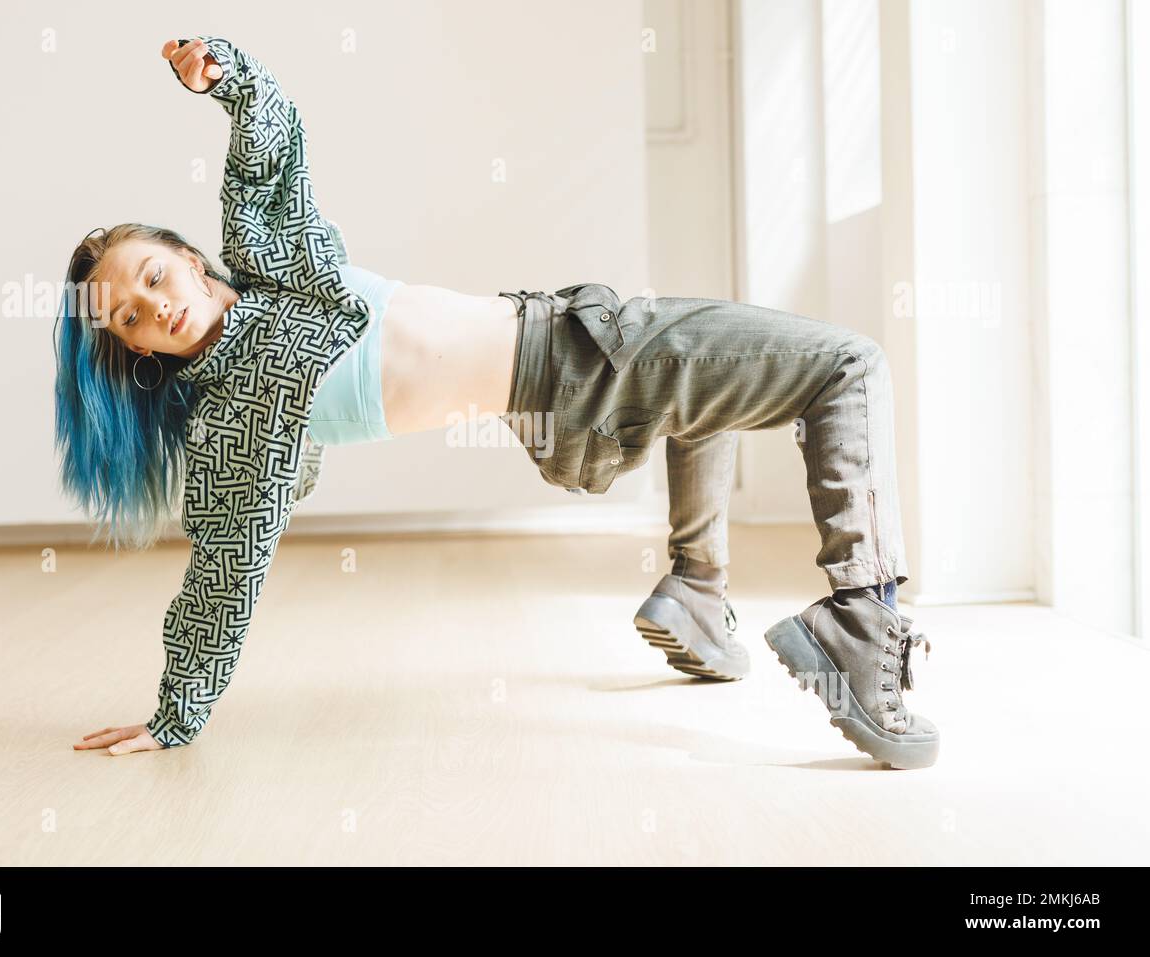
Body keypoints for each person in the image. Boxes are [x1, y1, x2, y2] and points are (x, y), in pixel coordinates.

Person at [59, 35, 937, 770]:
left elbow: (268, 149)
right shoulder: (236, 420)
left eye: (153, 274)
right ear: (136, 351)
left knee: (711, 384)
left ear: (188, 257)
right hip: (587, 365)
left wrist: (229, 78)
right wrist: (177, 710)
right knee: (850, 367)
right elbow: (224, 570)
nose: (154, 305)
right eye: (130, 317)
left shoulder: (274, 266)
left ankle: (698, 593)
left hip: (566, 379)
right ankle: (863, 621)